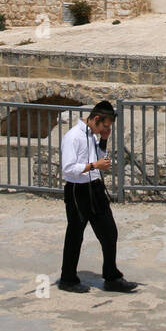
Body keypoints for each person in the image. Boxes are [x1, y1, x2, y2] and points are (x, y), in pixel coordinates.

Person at [58, 101, 137, 293]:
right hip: (78, 190)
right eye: (105, 125)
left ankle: (112, 277)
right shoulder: (73, 137)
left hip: (95, 188)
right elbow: (68, 169)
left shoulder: (92, 135)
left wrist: (104, 139)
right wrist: (94, 166)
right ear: (95, 119)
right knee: (75, 235)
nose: (106, 128)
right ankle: (68, 279)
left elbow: (98, 155)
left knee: (109, 232)